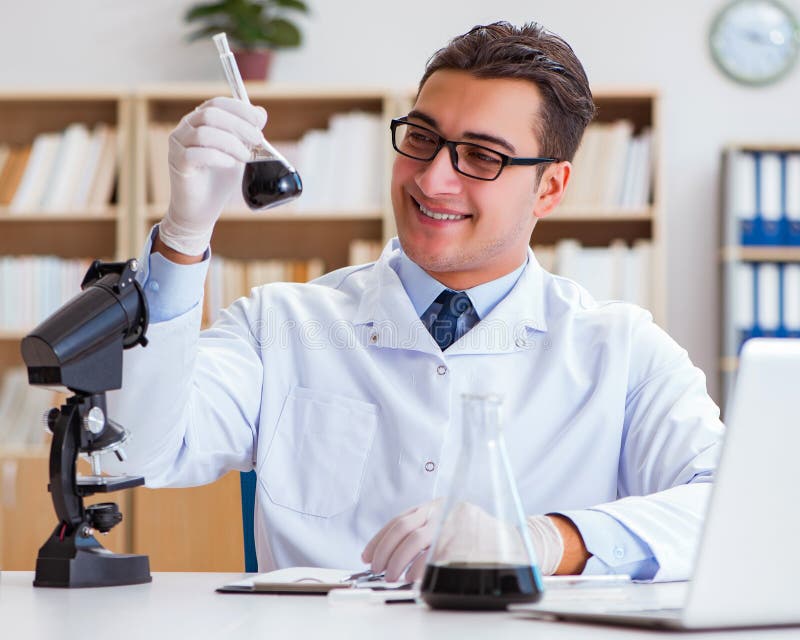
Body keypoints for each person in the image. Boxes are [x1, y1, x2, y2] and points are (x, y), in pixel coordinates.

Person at [107, 21, 723, 583]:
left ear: (551, 187)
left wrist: (545, 542)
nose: (432, 179)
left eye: (482, 156)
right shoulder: (281, 324)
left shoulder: (623, 350)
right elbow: (133, 452)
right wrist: (183, 240)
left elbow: (737, 512)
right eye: (422, 138)